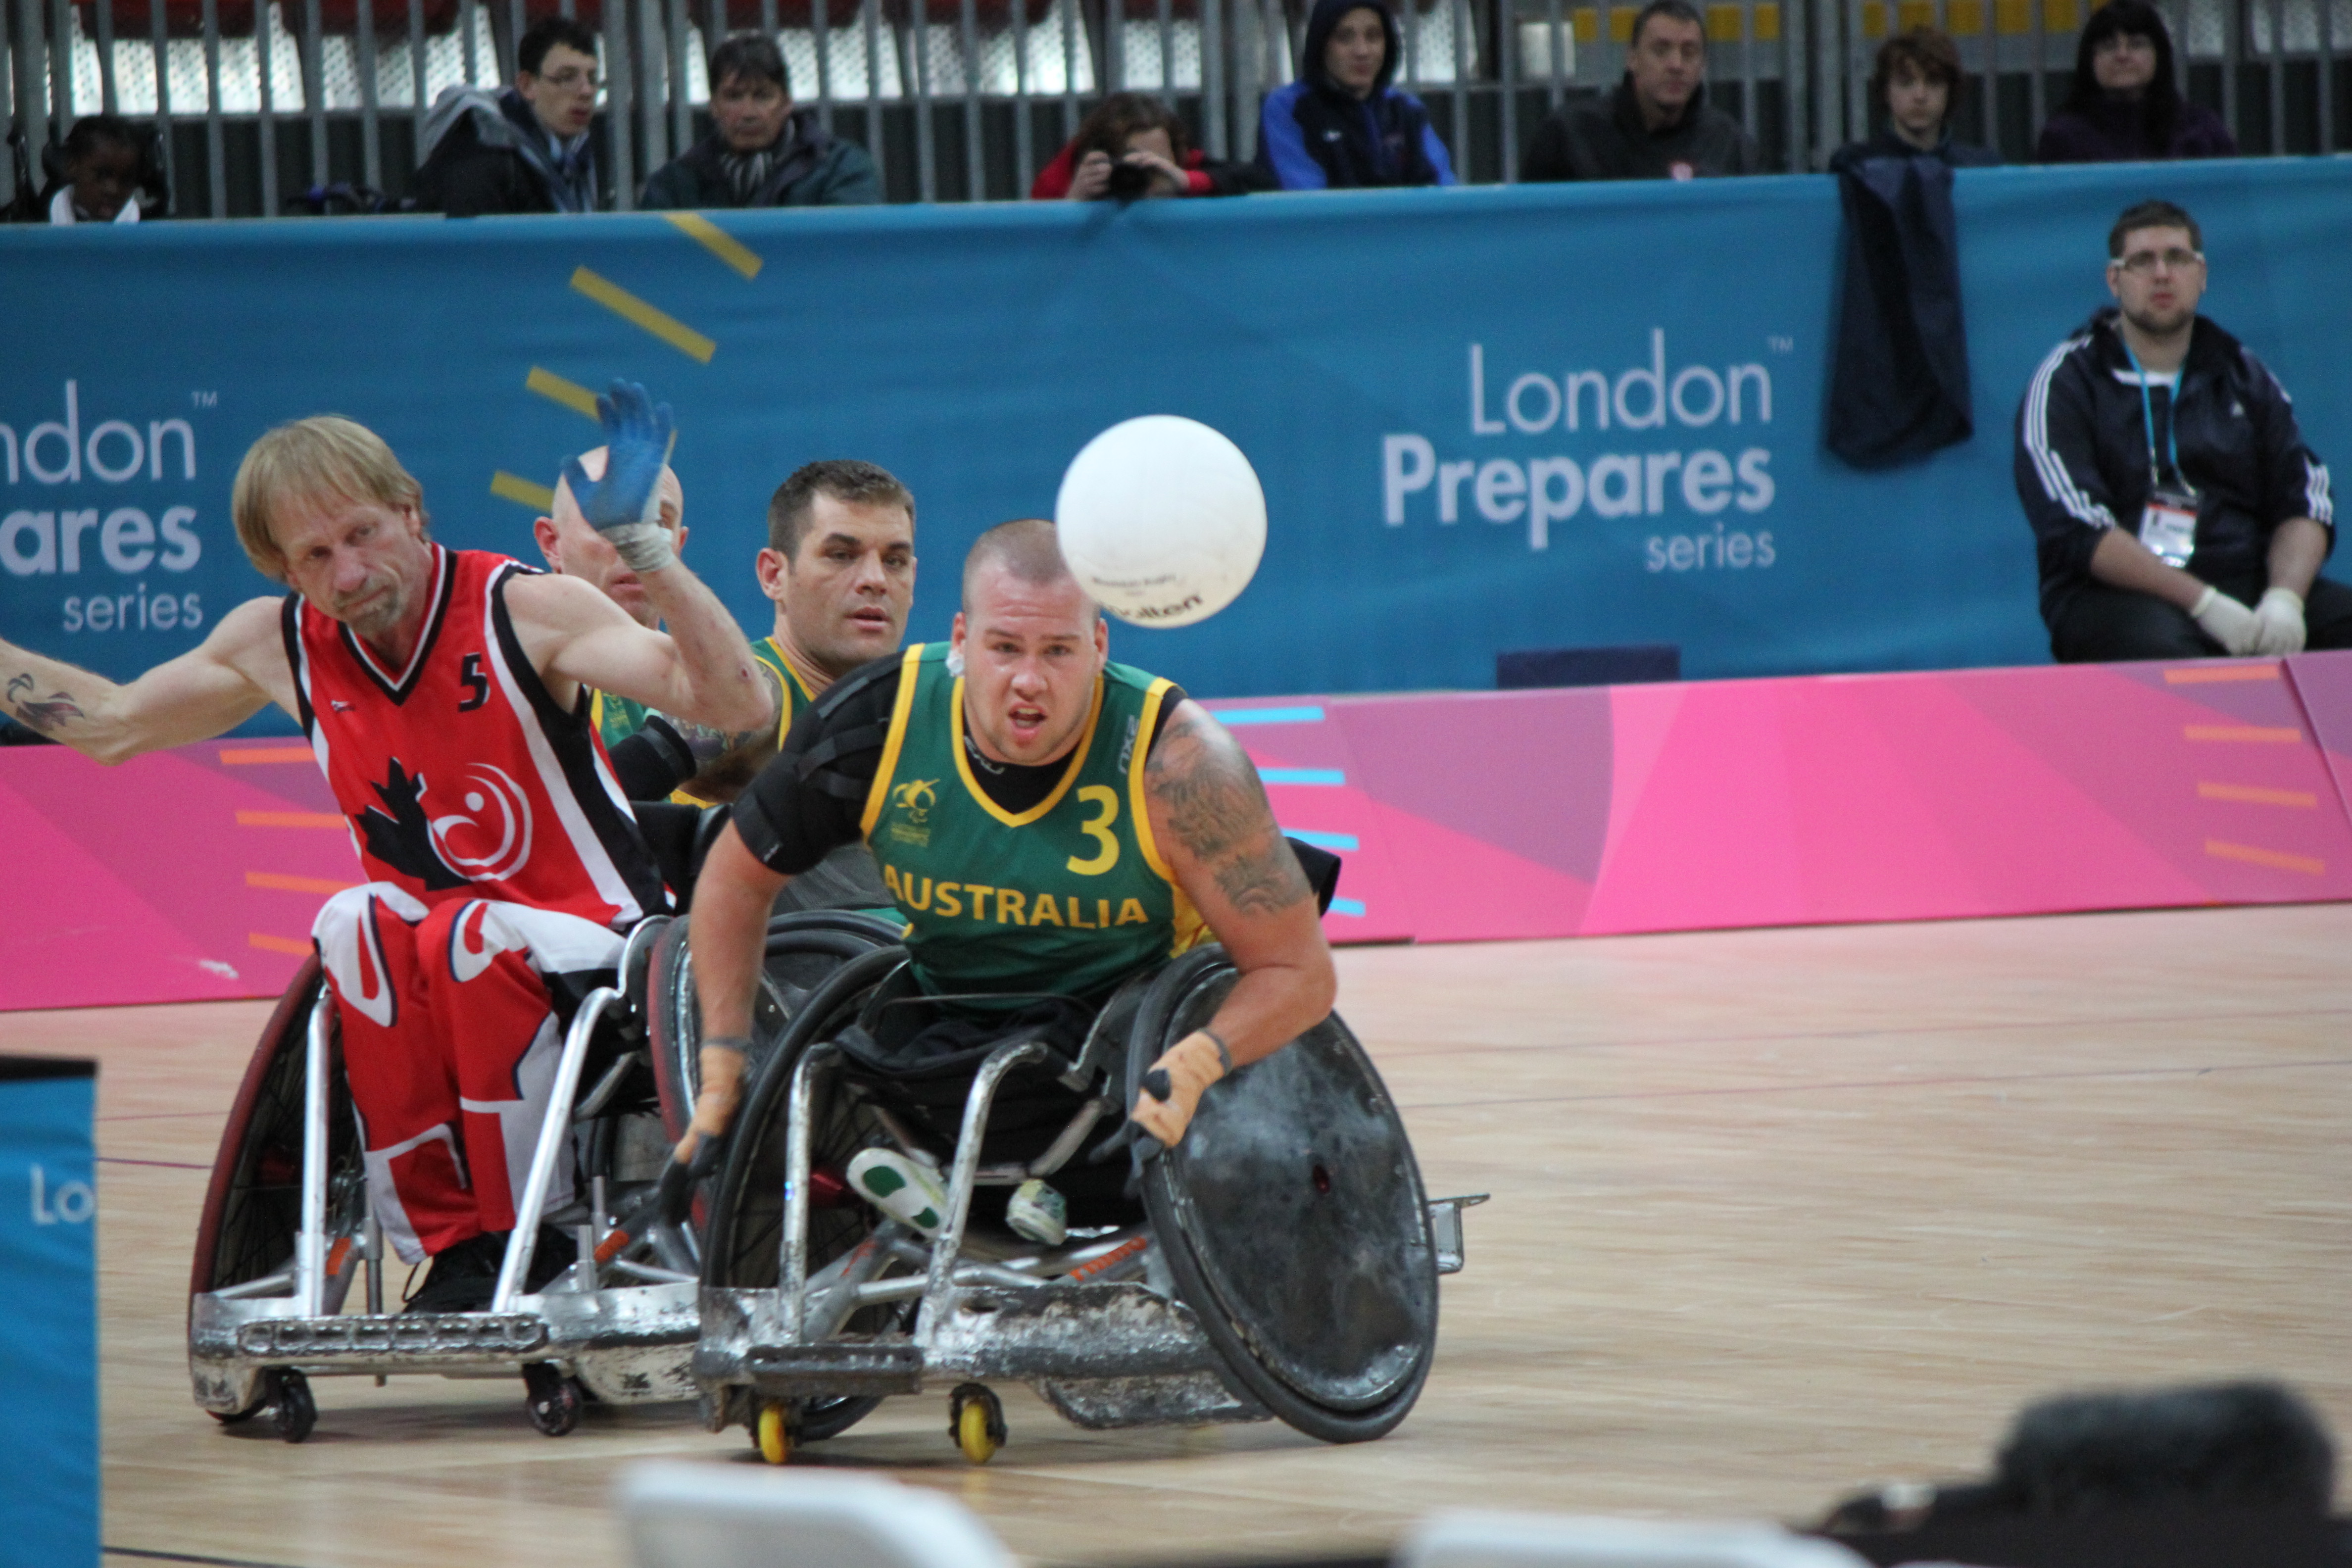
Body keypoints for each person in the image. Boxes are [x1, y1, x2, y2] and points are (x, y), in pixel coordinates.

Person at [0, 384, 773, 1309]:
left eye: (363, 533)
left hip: (598, 943)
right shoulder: (279, 643)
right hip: (436, 956)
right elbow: (113, 725)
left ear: (411, 510)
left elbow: (737, 706)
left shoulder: (525, 608)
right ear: (285, 571)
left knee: (467, 934)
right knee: (354, 919)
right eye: (316, 556)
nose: (350, 571)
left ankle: (531, 1232)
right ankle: (453, 1245)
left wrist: (645, 547)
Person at [672, 519, 1336, 1247]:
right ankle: (963, 1188)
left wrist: (1198, 1061)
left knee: (1091, 1054)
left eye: (1058, 651)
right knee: (855, 1052)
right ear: (961, 640)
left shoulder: (1179, 763)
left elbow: (1297, 972)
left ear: (1100, 647)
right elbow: (733, 882)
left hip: (1127, 1018)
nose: (1029, 679)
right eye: (1005, 649)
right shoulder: (877, 722)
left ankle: (1036, 1193)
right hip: (956, 1009)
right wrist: (722, 1064)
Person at [2015, 200, 2341, 663]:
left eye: (2178, 258)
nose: (2162, 274)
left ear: (2202, 275)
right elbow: (2075, 529)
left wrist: (2285, 600)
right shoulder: (2067, 380)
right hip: (2114, 594)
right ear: (2115, 281)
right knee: (2166, 651)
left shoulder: (2243, 372)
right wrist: (2203, 604)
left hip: (2242, 579)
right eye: (2142, 261)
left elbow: (2305, 496)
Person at [1520, 0, 1762, 181]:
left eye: (1689, 53)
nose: (1676, 65)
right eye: (1661, 50)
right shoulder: (1570, 135)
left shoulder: (1728, 144)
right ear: (1632, 58)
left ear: (1703, 65)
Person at [639, 33, 880, 210]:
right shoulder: (677, 183)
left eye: (763, 96)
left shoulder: (841, 169)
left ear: (787, 103)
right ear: (713, 105)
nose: (748, 113)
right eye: (734, 97)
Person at [1253, 0, 1457, 191]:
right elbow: (1306, 204)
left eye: (1373, 36)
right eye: (1345, 38)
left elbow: (1443, 193)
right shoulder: (1288, 108)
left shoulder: (1407, 110)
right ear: (1321, 44)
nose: (1362, 51)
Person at [410, 16, 604, 215]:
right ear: (527, 85)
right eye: (567, 78)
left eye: (592, 79)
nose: (586, 92)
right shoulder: (484, 156)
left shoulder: (575, 159)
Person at [2035, 0, 2235, 163]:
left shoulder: (2200, 131)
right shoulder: (2063, 137)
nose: (2122, 56)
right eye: (2108, 46)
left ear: (2160, 56)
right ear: (2090, 60)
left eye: (2137, 45)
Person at [1029, 92, 1270, 200]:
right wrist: (1071, 206)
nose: (1144, 173)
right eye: (1133, 163)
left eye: (1155, 162)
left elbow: (1267, 184)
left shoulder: (1185, 165)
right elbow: (1032, 253)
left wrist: (1186, 181)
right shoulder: (1070, 173)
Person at [1832, 27, 1999, 169]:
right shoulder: (1855, 165)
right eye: (1906, 83)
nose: (1920, 96)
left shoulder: (1982, 166)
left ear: (1950, 91)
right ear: (1886, 91)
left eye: (1933, 83)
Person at [40, 114, 156, 225]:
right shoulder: (38, 223)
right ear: (72, 165)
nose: (113, 191)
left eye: (126, 180)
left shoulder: (151, 234)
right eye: (102, 175)